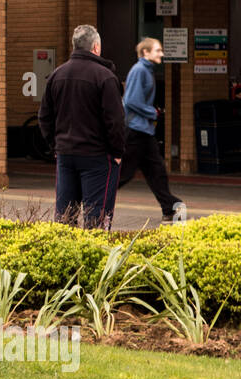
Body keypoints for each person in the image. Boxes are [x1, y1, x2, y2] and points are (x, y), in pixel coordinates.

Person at [38, 24, 126, 229]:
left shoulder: (56, 75)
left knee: (65, 217)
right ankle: (95, 257)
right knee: (96, 217)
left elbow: (44, 116)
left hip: (66, 155)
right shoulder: (105, 77)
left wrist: (55, 146)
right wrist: (117, 152)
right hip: (97, 156)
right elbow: (115, 121)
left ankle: (66, 256)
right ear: (96, 47)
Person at [119, 37, 184, 223]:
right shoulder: (139, 71)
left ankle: (169, 208)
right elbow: (131, 100)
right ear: (145, 53)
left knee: (156, 171)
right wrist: (153, 112)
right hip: (135, 131)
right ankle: (94, 200)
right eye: (157, 50)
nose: (161, 54)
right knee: (126, 173)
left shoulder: (146, 70)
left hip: (142, 131)